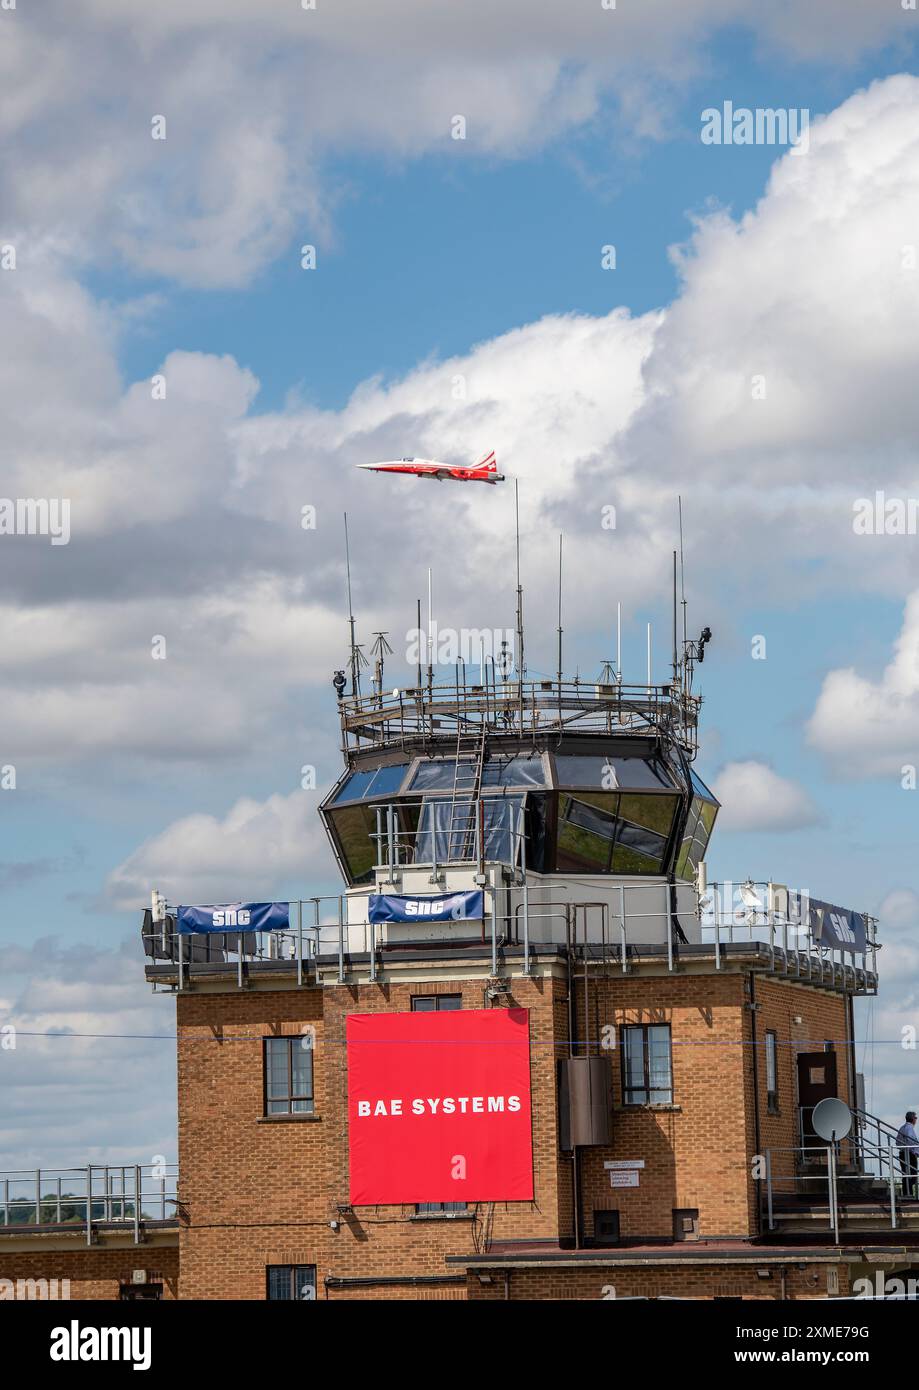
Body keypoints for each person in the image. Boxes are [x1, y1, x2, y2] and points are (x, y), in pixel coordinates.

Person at [896, 1111, 919, 1199]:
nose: (916, 1120)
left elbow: (897, 1142)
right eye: (916, 1118)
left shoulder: (902, 1128)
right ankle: (908, 1193)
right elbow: (911, 1141)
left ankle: (907, 1193)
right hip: (909, 1154)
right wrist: (915, 1151)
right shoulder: (909, 1128)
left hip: (903, 1153)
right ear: (913, 1119)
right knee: (912, 1174)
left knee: (906, 1174)